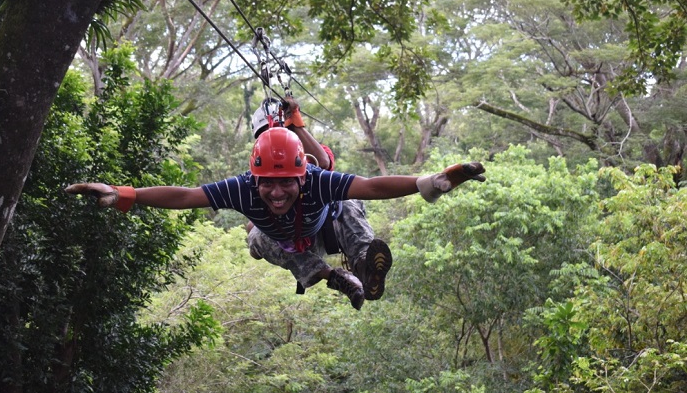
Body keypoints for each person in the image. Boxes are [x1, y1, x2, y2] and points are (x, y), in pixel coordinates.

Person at [65, 128, 486, 310]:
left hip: (326, 231)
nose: (278, 192)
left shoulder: (317, 178)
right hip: (288, 245)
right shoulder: (242, 188)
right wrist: (125, 194)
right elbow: (187, 196)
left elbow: (372, 185)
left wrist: (430, 181)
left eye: (288, 183)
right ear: (256, 177)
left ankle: (362, 262)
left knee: (350, 205)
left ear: (302, 177)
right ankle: (335, 276)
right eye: (268, 184)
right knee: (260, 239)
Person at [246, 98, 391, 303]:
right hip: (293, 242)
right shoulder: (258, 175)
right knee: (255, 235)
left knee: (347, 199)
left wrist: (295, 124)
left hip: (325, 227)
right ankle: (335, 277)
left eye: (282, 133)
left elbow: (323, 163)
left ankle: (364, 264)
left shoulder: (311, 156)